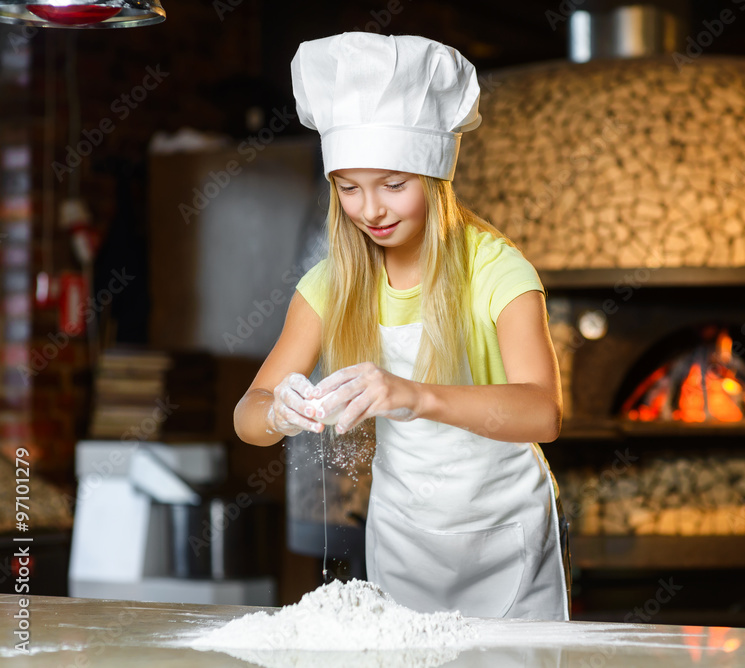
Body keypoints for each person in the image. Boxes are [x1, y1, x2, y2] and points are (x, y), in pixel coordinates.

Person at [234, 32, 570, 621]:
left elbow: (543, 412)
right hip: (403, 537)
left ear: (435, 179)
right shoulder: (329, 285)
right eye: (349, 189)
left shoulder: (496, 269)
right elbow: (248, 417)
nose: (372, 210)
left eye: (393, 185)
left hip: (505, 533)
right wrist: (278, 413)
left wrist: (413, 395)